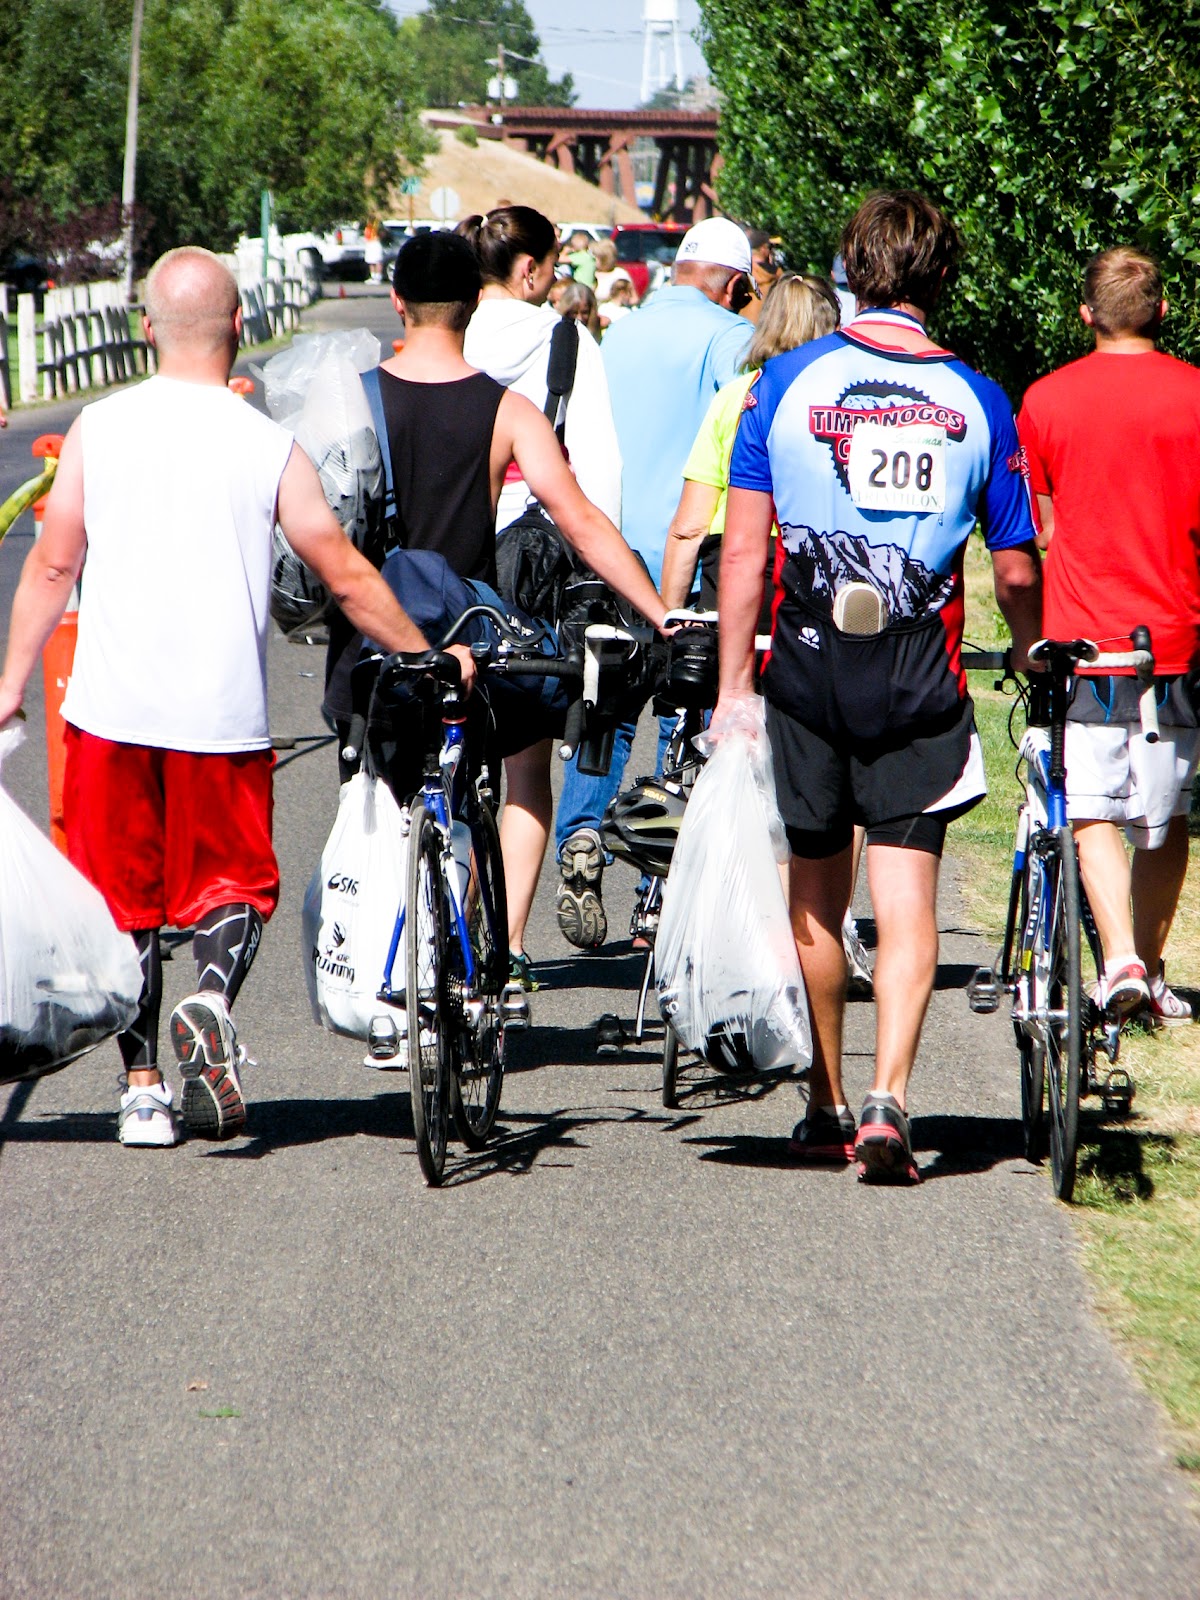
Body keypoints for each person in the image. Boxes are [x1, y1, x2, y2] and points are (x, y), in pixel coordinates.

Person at [0, 246, 443, 1148]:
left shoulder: (99, 427)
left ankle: (143, 1091)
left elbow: (53, 562)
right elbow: (343, 570)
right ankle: (209, 1000)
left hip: (107, 715)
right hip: (221, 716)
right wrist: (424, 650)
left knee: (124, 903)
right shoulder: (265, 444)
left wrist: (8, 688)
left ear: (144, 327)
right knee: (231, 888)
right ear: (238, 328)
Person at [716, 190, 1043, 1183]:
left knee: (815, 895)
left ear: (852, 268)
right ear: (943, 278)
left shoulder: (782, 383)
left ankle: (823, 1098)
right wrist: (1028, 648)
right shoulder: (978, 399)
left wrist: (734, 683)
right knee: (907, 899)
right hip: (918, 672)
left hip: (808, 667)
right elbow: (1017, 564)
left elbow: (743, 552)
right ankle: (891, 1097)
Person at [324, 232, 670, 1017]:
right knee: (475, 796)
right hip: (466, 643)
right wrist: (657, 612)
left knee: (378, 812)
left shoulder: (353, 400)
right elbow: (580, 520)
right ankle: (479, 967)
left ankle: (383, 991)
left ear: (398, 302)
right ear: (476, 302)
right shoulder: (506, 410)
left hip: (372, 649)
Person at [555, 216, 756, 950]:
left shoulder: (622, 330)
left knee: (603, 707)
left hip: (610, 546)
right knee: (683, 715)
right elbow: (736, 442)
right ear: (734, 284)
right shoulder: (728, 338)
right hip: (687, 551)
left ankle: (581, 836)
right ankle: (657, 888)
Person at [1017, 245, 1200, 1024]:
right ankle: (1150, 972)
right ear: (1163, 312)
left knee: (1089, 808)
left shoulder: (1046, 399)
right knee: (1166, 815)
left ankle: (1118, 955)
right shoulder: (1195, 394)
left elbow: (1043, 525)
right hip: (1176, 639)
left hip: (1082, 639)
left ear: (1086, 314)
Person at [455, 208, 623, 1003]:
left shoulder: (443, 332)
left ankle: (447, 923)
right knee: (526, 763)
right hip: (537, 571)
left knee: (448, 756)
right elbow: (598, 478)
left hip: (450, 566)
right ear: (527, 271)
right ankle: (512, 947)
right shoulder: (569, 345)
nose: (558, 280)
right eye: (554, 267)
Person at [739, 229, 783, 324]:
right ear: (763, 249)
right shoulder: (777, 274)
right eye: (770, 248)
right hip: (766, 330)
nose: (772, 252)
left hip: (744, 328)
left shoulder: (740, 273)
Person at [592, 237, 637, 305]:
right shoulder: (593, 273)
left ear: (605, 259)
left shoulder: (620, 274)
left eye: (596, 258)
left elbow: (634, 299)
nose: (594, 261)